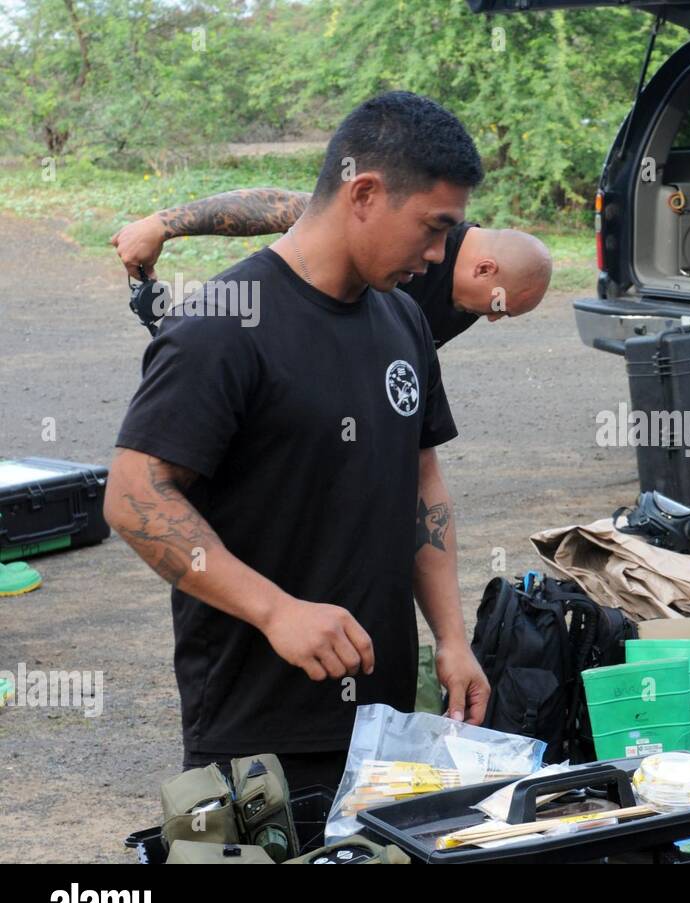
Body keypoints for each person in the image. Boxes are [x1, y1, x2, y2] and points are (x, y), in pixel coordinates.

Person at [104, 91, 493, 791]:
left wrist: (452, 637)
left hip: (383, 720)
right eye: (433, 229)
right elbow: (133, 497)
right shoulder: (222, 326)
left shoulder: (402, 319)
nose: (439, 257)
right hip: (261, 734)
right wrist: (275, 609)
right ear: (366, 193)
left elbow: (421, 483)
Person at [111, 195, 552, 348]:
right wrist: (161, 226)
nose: (494, 318)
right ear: (485, 268)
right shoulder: (409, 227)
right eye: (502, 309)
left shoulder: (469, 296)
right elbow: (284, 206)